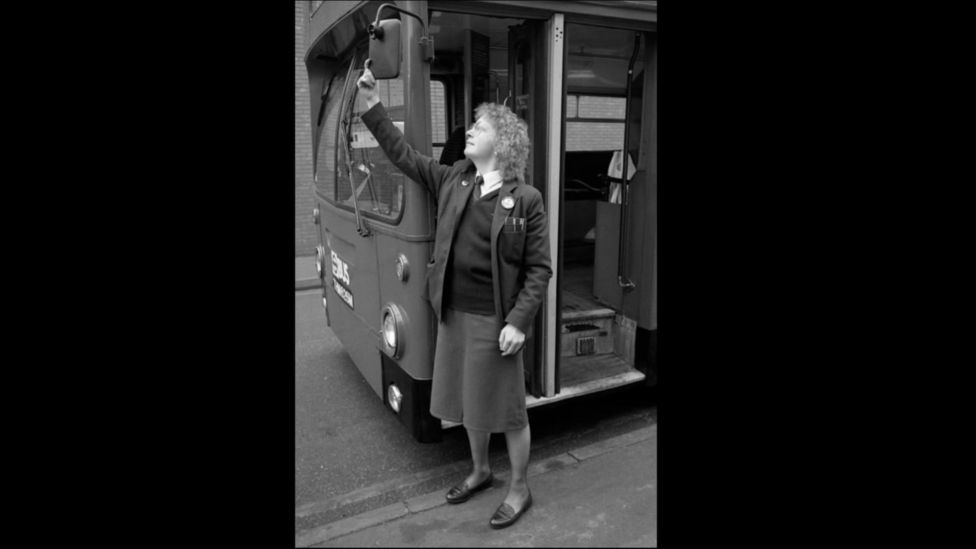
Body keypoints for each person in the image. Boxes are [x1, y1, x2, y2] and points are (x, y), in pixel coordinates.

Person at [357, 63, 552, 530]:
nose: (468, 131)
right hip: (454, 315)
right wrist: (371, 106)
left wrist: (518, 323)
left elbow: (539, 269)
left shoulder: (525, 199)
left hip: (495, 321)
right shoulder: (453, 179)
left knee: (506, 410)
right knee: (469, 403)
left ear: (501, 143)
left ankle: (520, 487)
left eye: (479, 128)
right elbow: (403, 155)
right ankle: (482, 471)